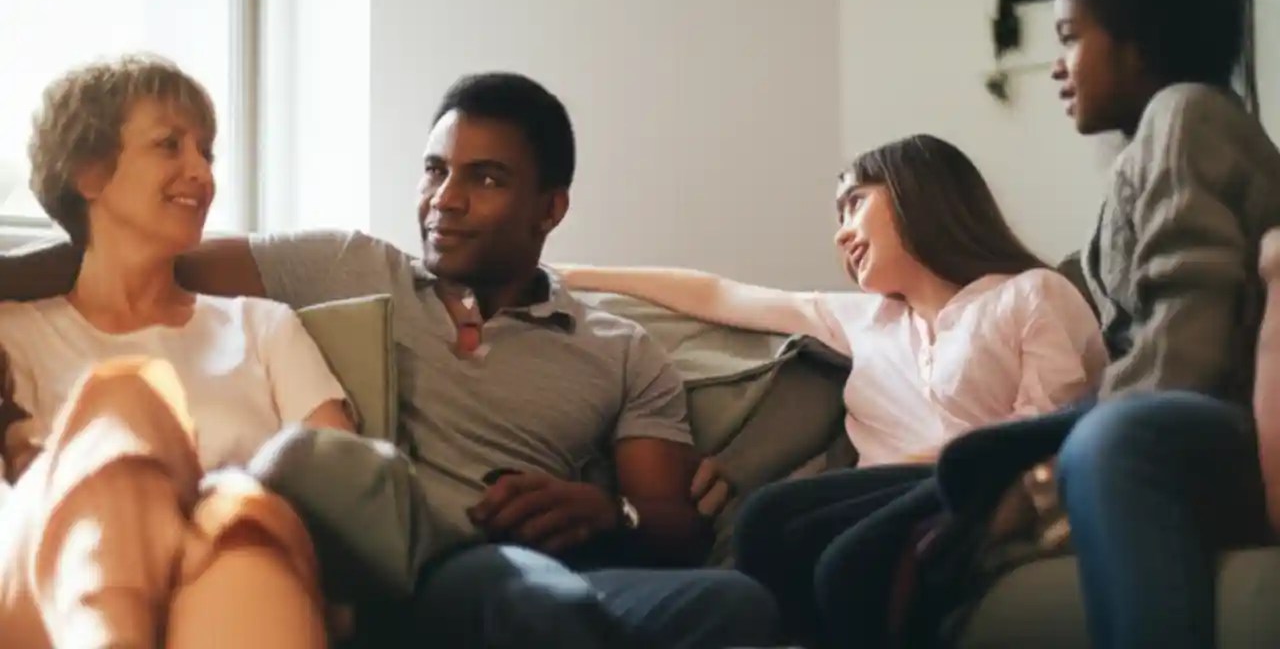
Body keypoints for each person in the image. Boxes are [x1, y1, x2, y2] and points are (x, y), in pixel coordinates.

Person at [0, 71, 781, 648]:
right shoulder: (348, 265)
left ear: (551, 207)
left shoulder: (620, 349)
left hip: (563, 571)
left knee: (734, 604)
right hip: (428, 565)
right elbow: (139, 256)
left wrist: (609, 512)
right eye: (436, 171)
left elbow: (674, 523)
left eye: (484, 178)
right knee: (511, 590)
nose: (445, 198)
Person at [556, 133, 1107, 644]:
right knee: (765, 517)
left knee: (848, 561)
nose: (841, 233)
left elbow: (1048, 424)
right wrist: (567, 273)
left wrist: (939, 463)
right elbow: (720, 294)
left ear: (920, 193)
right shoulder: (862, 319)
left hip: (980, 483)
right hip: (879, 494)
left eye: (855, 204)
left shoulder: (1030, 294)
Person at [930, 0, 1280, 648]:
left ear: (1141, 39)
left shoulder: (1188, 116)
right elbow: (1075, 282)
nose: (1057, 67)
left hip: (1221, 422)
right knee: (805, 516)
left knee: (1110, 441)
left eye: (1068, 37)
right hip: (1167, 409)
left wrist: (1051, 471)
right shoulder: (1149, 151)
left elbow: (1190, 341)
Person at [0, 55, 355, 648]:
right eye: (170, 145)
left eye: (207, 152)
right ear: (88, 173)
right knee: (124, 401)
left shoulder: (263, 327)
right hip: (52, 587)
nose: (202, 173)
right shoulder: (13, 335)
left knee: (240, 515)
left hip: (244, 567)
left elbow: (342, 486)